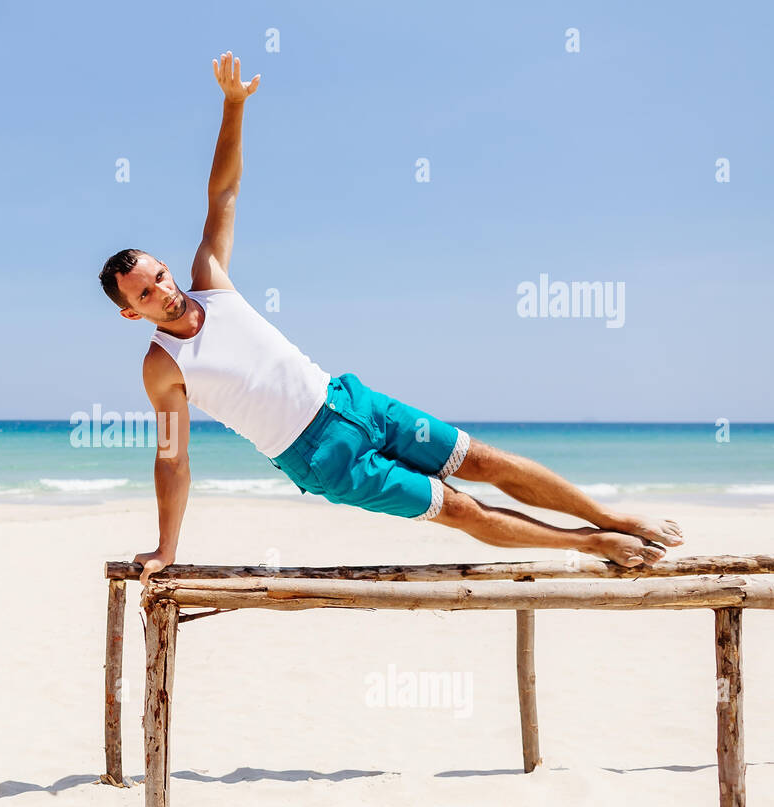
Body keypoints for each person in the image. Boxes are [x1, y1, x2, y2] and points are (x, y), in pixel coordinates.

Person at [98, 52, 683, 585]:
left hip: (353, 402)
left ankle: (608, 514)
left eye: (160, 278)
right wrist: (165, 546)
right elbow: (173, 456)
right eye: (146, 296)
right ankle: (590, 542)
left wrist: (233, 105)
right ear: (131, 313)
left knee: (484, 462)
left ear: (169, 270)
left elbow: (223, 193)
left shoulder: (212, 279)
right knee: (456, 508)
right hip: (321, 457)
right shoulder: (161, 368)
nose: (164, 294)